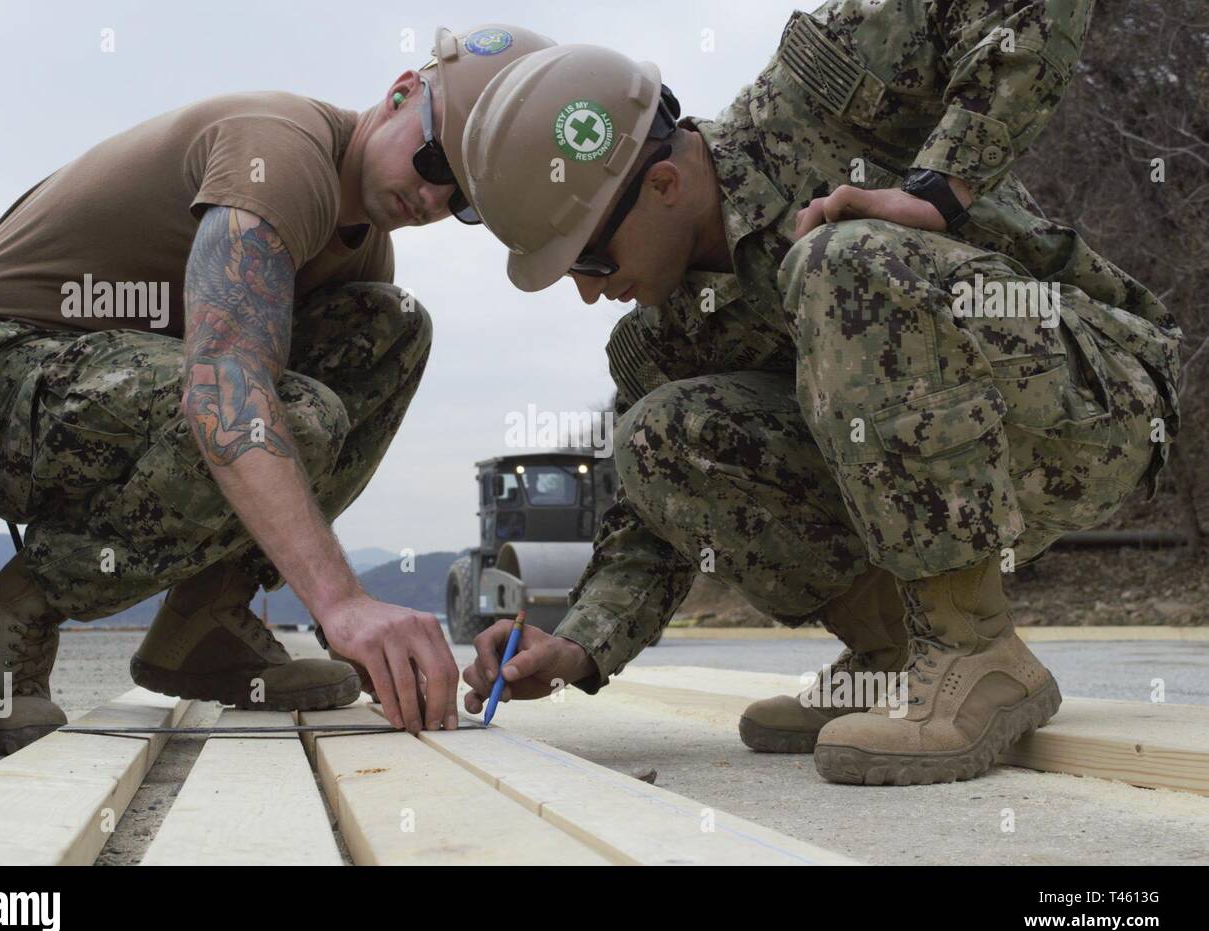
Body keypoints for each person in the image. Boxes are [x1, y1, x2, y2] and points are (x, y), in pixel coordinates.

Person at [457, 2, 1182, 785]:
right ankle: (894, 654)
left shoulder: (821, 85)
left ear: (663, 182)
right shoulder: (664, 331)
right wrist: (577, 646)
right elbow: (648, 526)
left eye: (588, 262)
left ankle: (974, 648)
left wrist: (944, 181)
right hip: (971, 460)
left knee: (839, 261)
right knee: (658, 434)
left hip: (1095, 394)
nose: (589, 294)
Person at [0, 24, 555, 754]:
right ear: (401, 92)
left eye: (462, 198)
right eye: (435, 159)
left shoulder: (364, 250)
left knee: (392, 329)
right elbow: (226, 384)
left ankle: (206, 619)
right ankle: (10, 610)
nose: (434, 196)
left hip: (97, 383)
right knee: (289, 414)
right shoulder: (280, 149)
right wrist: (340, 603)